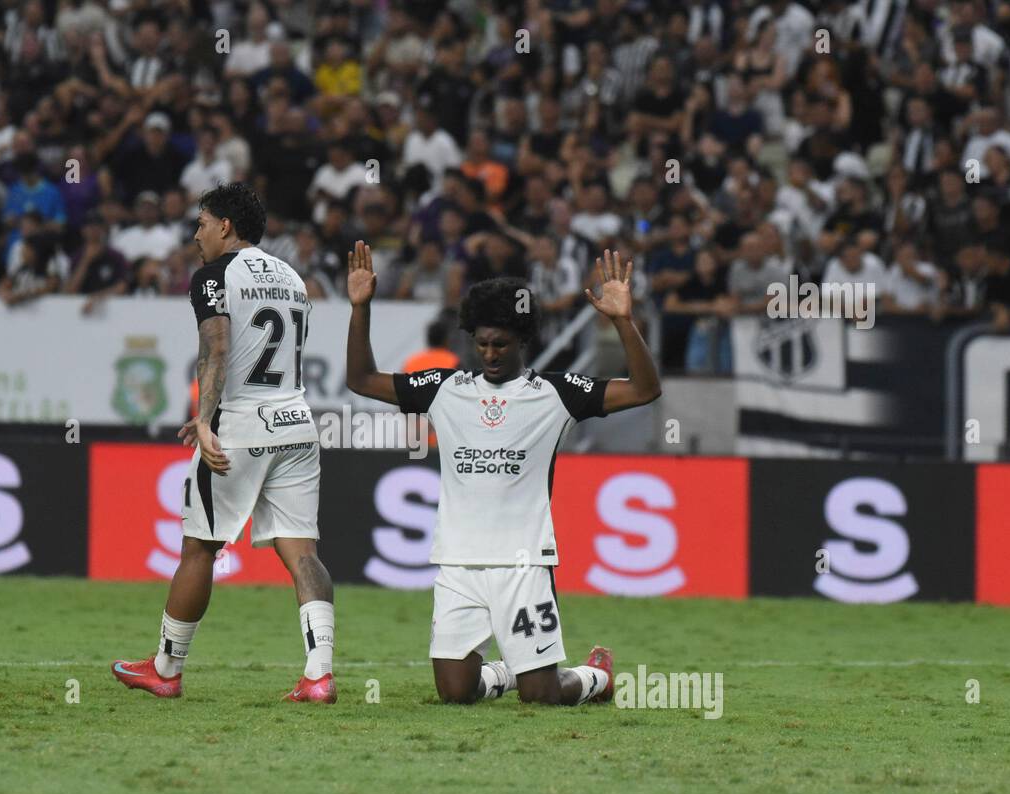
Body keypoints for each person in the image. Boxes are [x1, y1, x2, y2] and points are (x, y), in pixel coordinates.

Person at [345, 242, 661, 705]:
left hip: (524, 562)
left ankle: (596, 677)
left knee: (542, 696)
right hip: (458, 561)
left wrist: (621, 320)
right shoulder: (444, 388)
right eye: (482, 343)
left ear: (522, 342)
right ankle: (506, 672)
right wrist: (361, 307)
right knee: (455, 694)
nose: (490, 354)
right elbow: (361, 378)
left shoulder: (556, 393)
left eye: (501, 344)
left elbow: (645, 389)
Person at [111, 183, 337, 703]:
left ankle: (166, 668)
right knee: (303, 553)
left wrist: (206, 420)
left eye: (202, 223)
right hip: (297, 421)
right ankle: (319, 674)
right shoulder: (293, 277)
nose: (196, 235)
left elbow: (217, 349)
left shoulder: (213, 276)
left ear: (226, 227)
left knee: (199, 547)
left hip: (243, 425)